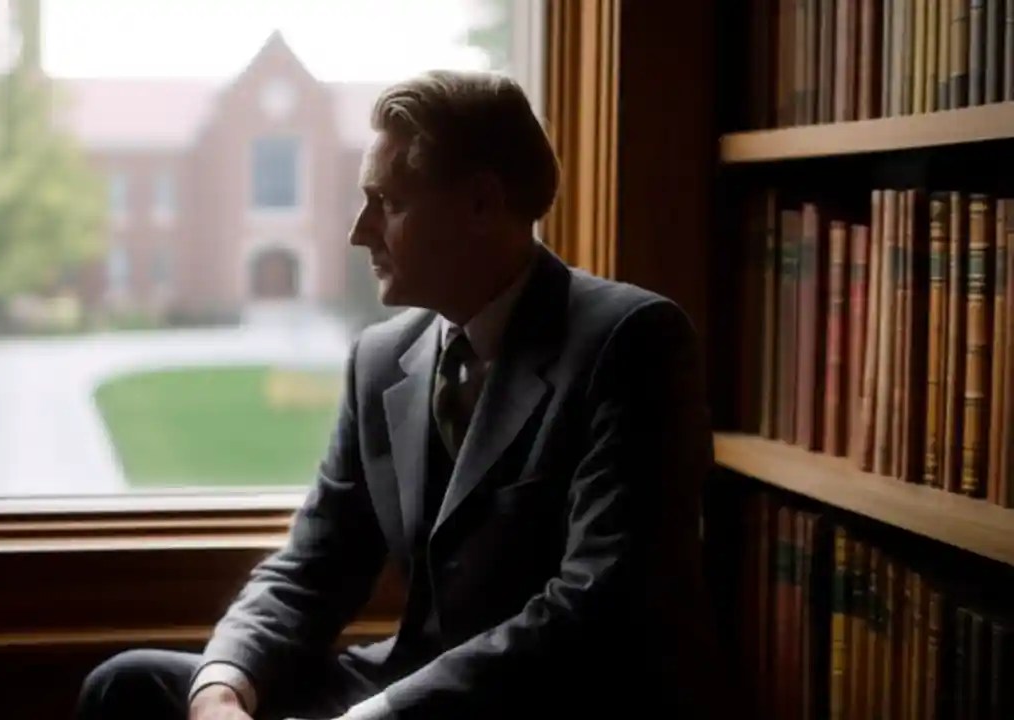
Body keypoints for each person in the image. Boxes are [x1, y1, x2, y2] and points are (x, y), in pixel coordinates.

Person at [77, 69, 724, 720]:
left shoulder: (631, 342)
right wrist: (223, 686)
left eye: (387, 202)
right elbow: (314, 563)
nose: (360, 231)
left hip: (550, 698)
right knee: (130, 687)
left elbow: (597, 600)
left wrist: (373, 717)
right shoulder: (382, 359)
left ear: (480, 202)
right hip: (404, 685)